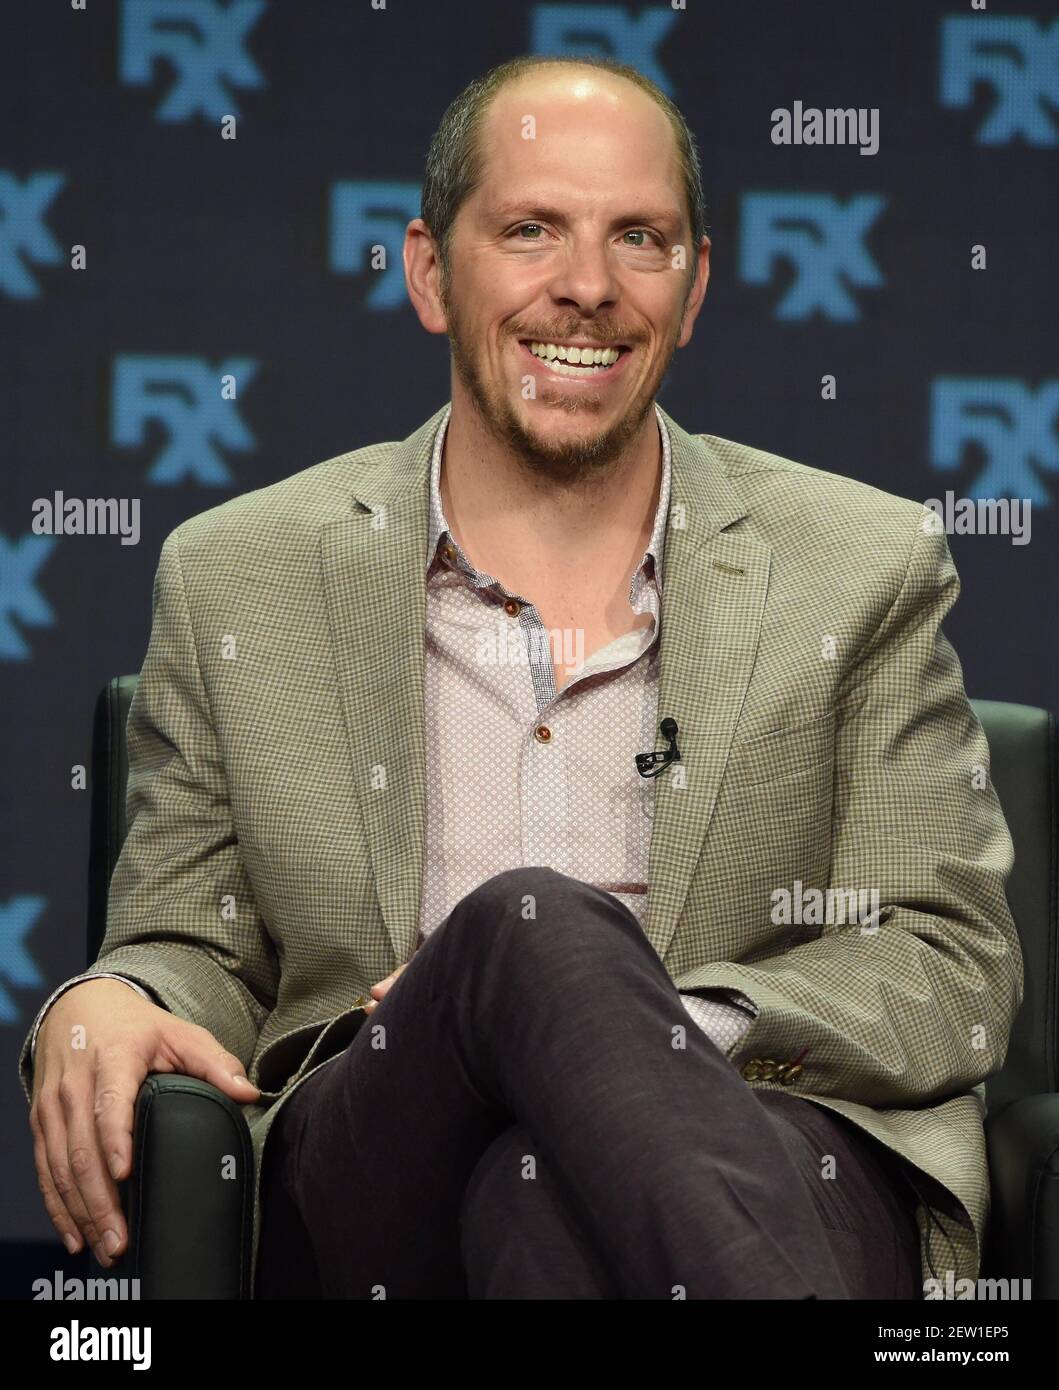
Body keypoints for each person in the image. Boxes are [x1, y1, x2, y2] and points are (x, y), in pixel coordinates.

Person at [20, 55, 1023, 1299]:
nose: (588, 286)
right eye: (532, 230)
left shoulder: (860, 567)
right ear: (432, 271)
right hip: (383, 1152)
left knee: (543, 1206)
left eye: (639, 238)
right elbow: (194, 944)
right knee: (523, 926)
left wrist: (636, 1028)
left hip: (776, 1136)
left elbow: (942, 958)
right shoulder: (241, 576)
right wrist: (115, 989)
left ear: (695, 287)